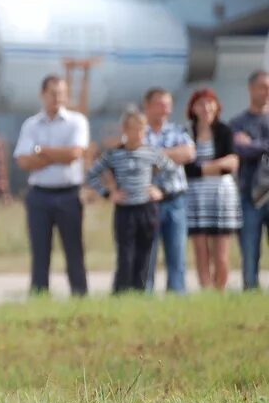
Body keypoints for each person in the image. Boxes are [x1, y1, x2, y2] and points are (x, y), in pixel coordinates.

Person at [13, 76, 90, 296]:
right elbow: (23, 161)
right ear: (43, 94)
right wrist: (58, 154)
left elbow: (75, 153)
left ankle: (80, 295)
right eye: (53, 93)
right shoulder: (31, 124)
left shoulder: (77, 121)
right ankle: (39, 295)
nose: (57, 98)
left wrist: (41, 151)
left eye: (61, 93)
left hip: (68, 193)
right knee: (40, 251)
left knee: (74, 250)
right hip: (40, 195)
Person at [87, 108, 178, 293]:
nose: (138, 134)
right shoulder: (114, 154)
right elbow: (92, 174)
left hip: (146, 208)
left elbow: (172, 171)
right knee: (125, 254)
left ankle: (140, 290)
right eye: (134, 129)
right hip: (125, 210)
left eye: (142, 130)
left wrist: (161, 190)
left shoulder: (151, 152)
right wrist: (108, 193)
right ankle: (121, 291)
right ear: (125, 130)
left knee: (144, 253)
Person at [184, 89, 241, 291]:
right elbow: (187, 169)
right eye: (201, 103)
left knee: (221, 251)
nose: (206, 108)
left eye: (210, 103)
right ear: (193, 108)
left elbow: (233, 162)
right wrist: (215, 166)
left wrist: (201, 167)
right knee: (200, 249)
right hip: (196, 195)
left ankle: (220, 290)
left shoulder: (225, 131)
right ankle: (205, 289)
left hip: (221, 194)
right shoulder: (187, 132)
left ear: (217, 106)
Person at [142, 87, 195, 294]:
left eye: (167, 104)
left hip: (176, 201)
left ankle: (177, 295)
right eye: (159, 103)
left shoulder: (178, 131)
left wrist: (156, 156)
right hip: (148, 202)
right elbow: (137, 161)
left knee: (177, 255)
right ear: (147, 106)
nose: (164, 108)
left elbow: (189, 153)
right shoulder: (139, 132)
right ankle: (145, 296)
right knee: (148, 256)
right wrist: (172, 156)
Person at [229, 70, 269, 291]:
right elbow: (239, 148)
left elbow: (249, 148)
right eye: (262, 87)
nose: (267, 92)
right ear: (251, 89)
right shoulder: (238, 122)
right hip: (249, 196)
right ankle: (250, 290)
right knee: (250, 248)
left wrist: (255, 144)